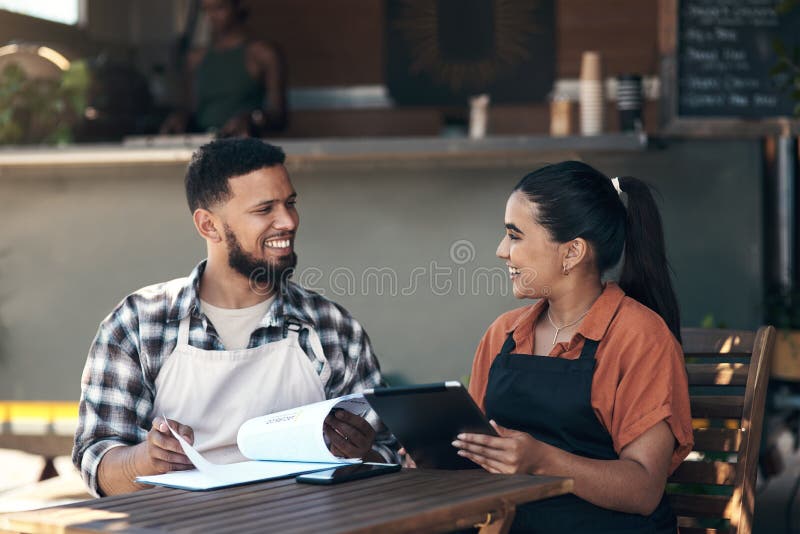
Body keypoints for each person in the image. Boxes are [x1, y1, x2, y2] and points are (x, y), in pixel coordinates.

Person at [73, 138, 394, 497]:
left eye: (290, 204)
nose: (288, 221)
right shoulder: (137, 324)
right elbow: (96, 462)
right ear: (209, 226)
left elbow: (388, 453)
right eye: (264, 209)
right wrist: (147, 460)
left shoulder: (334, 329)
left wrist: (361, 452)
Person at [453, 161, 693, 532]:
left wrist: (542, 460)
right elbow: (480, 450)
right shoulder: (503, 334)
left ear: (572, 252)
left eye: (515, 236)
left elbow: (643, 490)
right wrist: (438, 451)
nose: (502, 250)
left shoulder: (640, 337)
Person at [160, 0, 287, 137]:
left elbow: (279, 117)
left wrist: (252, 119)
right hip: (202, 145)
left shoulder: (262, 54)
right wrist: (180, 118)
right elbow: (191, 109)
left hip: (244, 146)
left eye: (219, 8)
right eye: (207, 10)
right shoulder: (196, 59)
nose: (212, 16)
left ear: (238, 6)